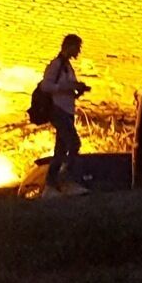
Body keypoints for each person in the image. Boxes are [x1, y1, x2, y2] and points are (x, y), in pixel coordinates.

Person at [38, 33, 91, 190]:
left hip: (67, 111)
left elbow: (68, 86)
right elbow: (45, 86)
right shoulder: (56, 65)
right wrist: (67, 87)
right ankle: (66, 178)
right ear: (69, 47)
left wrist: (78, 89)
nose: (79, 51)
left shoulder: (67, 67)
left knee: (60, 150)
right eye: (77, 48)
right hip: (58, 110)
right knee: (74, 143)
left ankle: (51, 184)